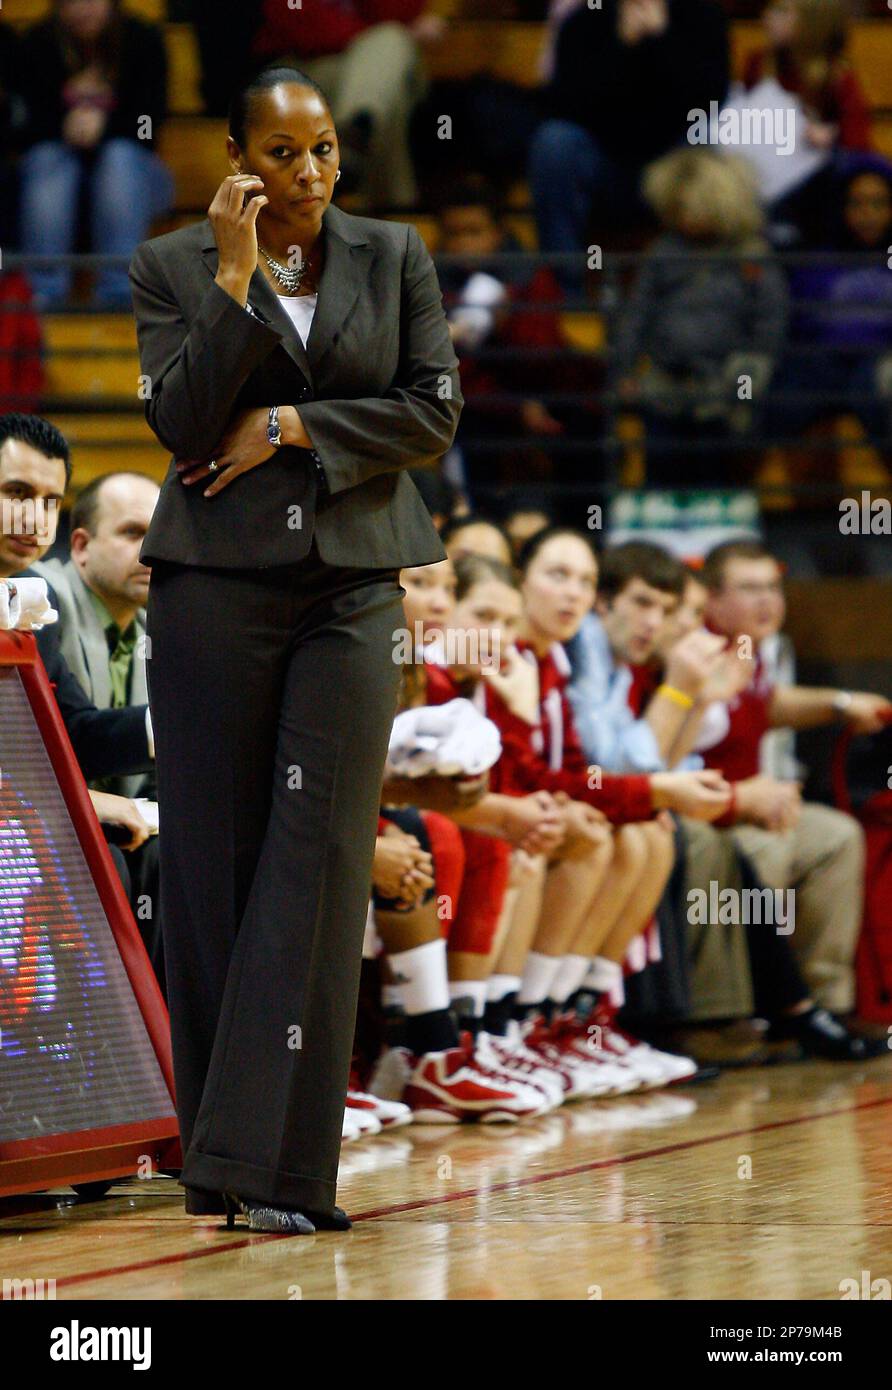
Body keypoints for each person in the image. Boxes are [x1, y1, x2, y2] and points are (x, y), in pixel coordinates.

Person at [128, 62, 462, 1233]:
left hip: (355, 582)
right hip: (213, 585)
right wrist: (229, 285)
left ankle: (276, 1169)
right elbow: (174, 421)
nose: (311, 173)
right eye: (283, 154)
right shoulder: (172, 264)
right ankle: (216, 1165)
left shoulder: (394, 252)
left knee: (318, 855)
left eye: (323, 149)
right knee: (213, 864)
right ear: (236, 159)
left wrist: (288, 426)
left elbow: (431, 409)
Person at [701, 539, 892, 1011]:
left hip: (753, 801)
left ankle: (826, 1004)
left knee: (836, 836)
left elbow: (769, 706)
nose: (767, 600)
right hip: (705, 809)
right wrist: (741, 797)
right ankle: (749, 1010)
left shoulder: (758, 649)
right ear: (712, 599)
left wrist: (840, 704)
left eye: (773, 586)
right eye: (749, 588)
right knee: (765, 851)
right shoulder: (696, 651)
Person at [613, 148, 788, 487]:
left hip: (722, 388)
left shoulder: (750, 255)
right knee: (661, 469)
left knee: (713, 472)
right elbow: (638, 313)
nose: (685, 218)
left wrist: (747, 378)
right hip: (664, 385)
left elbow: (769, 319)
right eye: (678, 208)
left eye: (692, 208)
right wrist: (626, 369)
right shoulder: (664, 251)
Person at [529, 0, 729, 286]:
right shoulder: (585, 19)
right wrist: (622, 47)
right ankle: (565, 288)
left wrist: (661, 41)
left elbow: (709, 100)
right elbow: (564, 103)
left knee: (703, 143)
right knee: (554, 143)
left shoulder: (702, 14)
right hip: (602, 162)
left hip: (670, 162)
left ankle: (692, 289)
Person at [17, 0, 174, 308]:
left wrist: (107, 125)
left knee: (120, 157)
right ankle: (44, 296)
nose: (82, 9)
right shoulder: (37, 44)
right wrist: (65, 123)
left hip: (135, 178)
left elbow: (148, 128)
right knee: (48, 157)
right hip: (56, 185)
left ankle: (118, 296)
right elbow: (21, 129)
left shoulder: (142, 39)